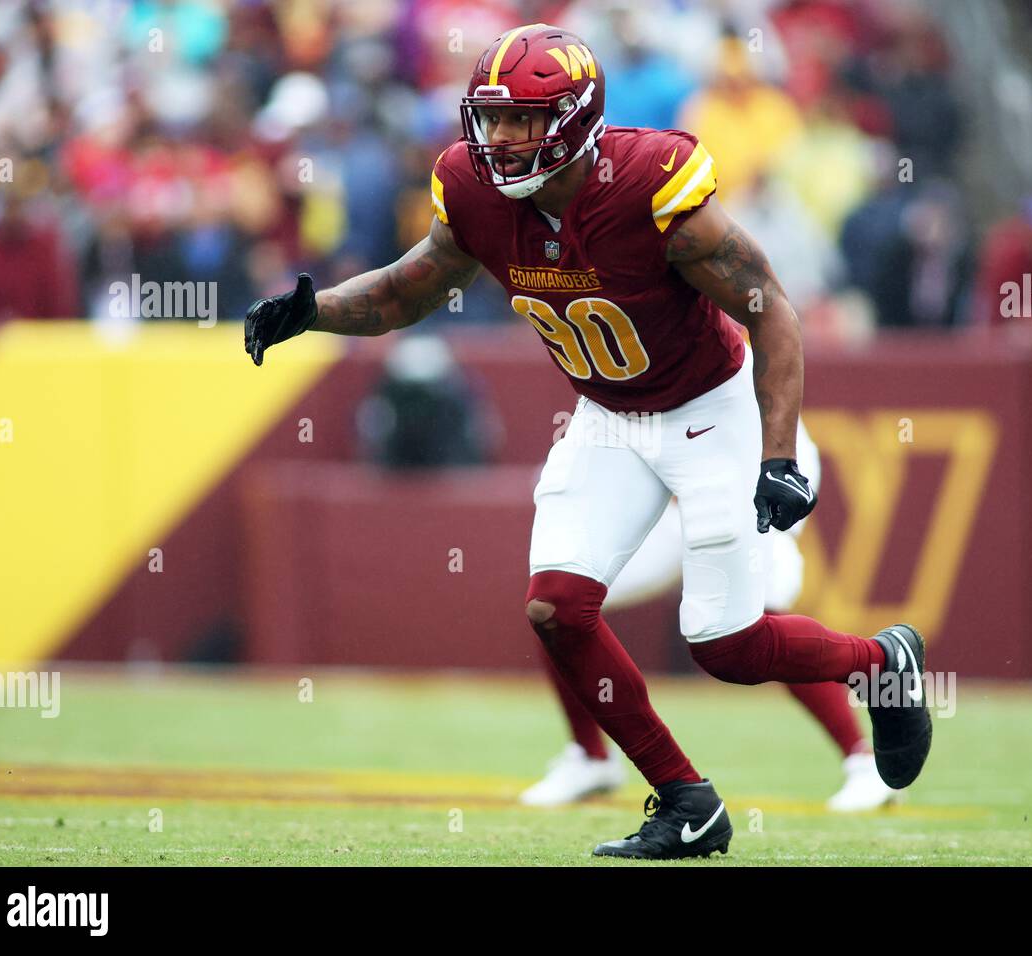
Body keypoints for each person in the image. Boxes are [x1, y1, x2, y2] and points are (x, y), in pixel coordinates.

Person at [244, 24, 931, 860]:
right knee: (556, 610)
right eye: (488, 120)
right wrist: (311, 311)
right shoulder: (473, 190)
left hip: (711, 410)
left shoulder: (649, 186)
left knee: (725, 643)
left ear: (573, 121)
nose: (495, 140)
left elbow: (769, 306)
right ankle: (686, 799)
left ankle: (879, 662)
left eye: (518, 122)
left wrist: (778, 456)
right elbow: (407, 288)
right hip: (609, 418)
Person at [520, 417, 896, 812]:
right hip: (671, 499)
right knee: (557, 602)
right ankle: (590, 756)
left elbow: (768, 381)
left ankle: (864, 757)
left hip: (745, 473)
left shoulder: (744, 372)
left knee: (756, 626)